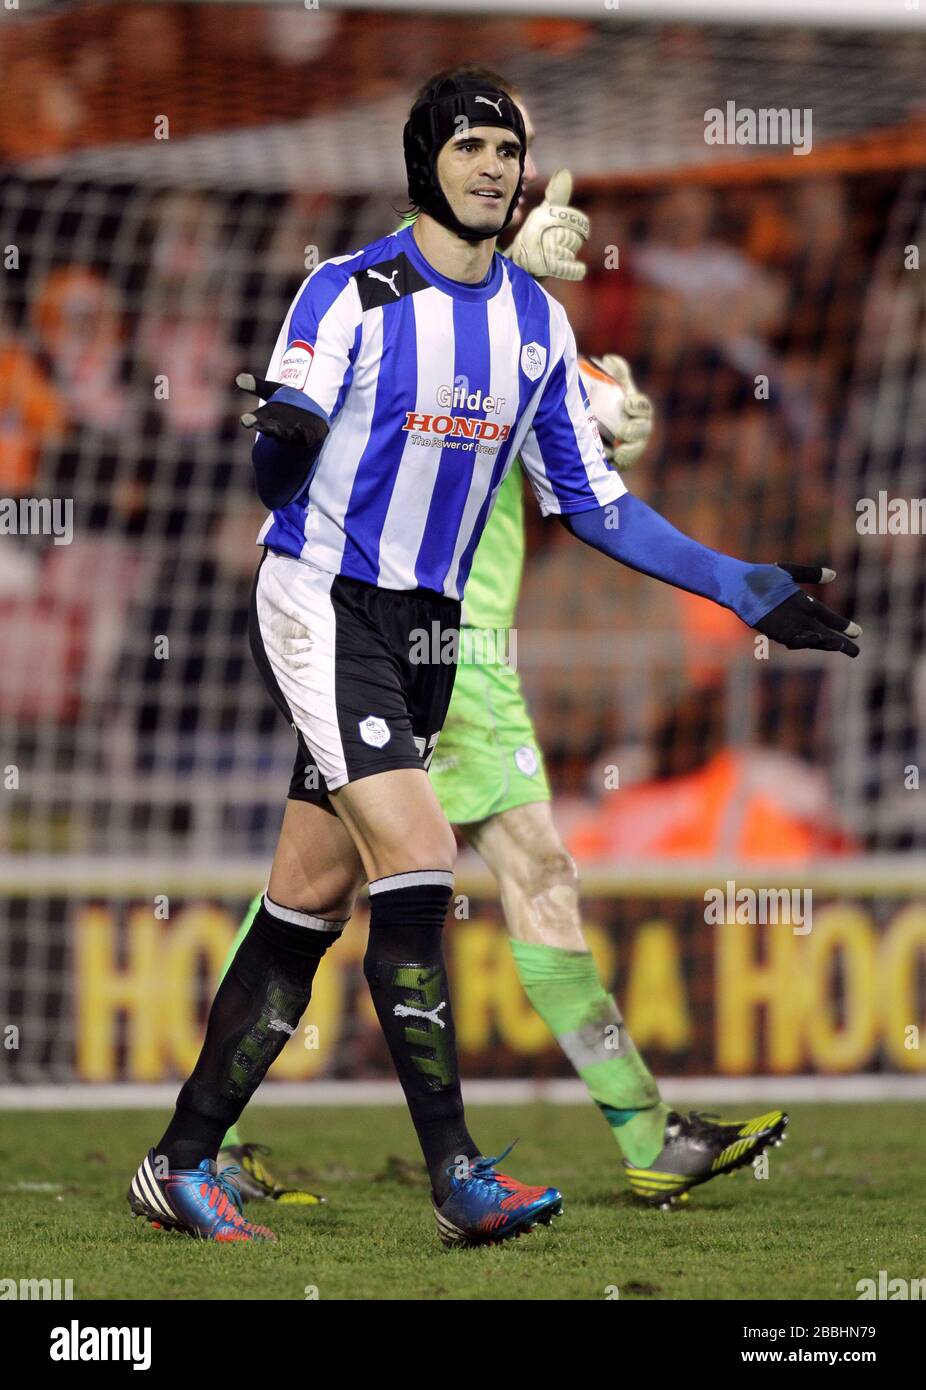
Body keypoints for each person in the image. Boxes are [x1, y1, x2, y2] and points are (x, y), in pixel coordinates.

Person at [128, 70, 860, 1248]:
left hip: (428, 636)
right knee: (418, 860)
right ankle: (459, 1175)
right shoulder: (346, 293)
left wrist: (744, 589)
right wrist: (281, 448)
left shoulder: (535, 324)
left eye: (505, 151)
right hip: (321, 599)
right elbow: (275, 466)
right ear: (428, 162)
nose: (492, 167)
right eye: (469, 146)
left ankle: (179, 1159)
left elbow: (600, 505)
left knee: (309, 897)